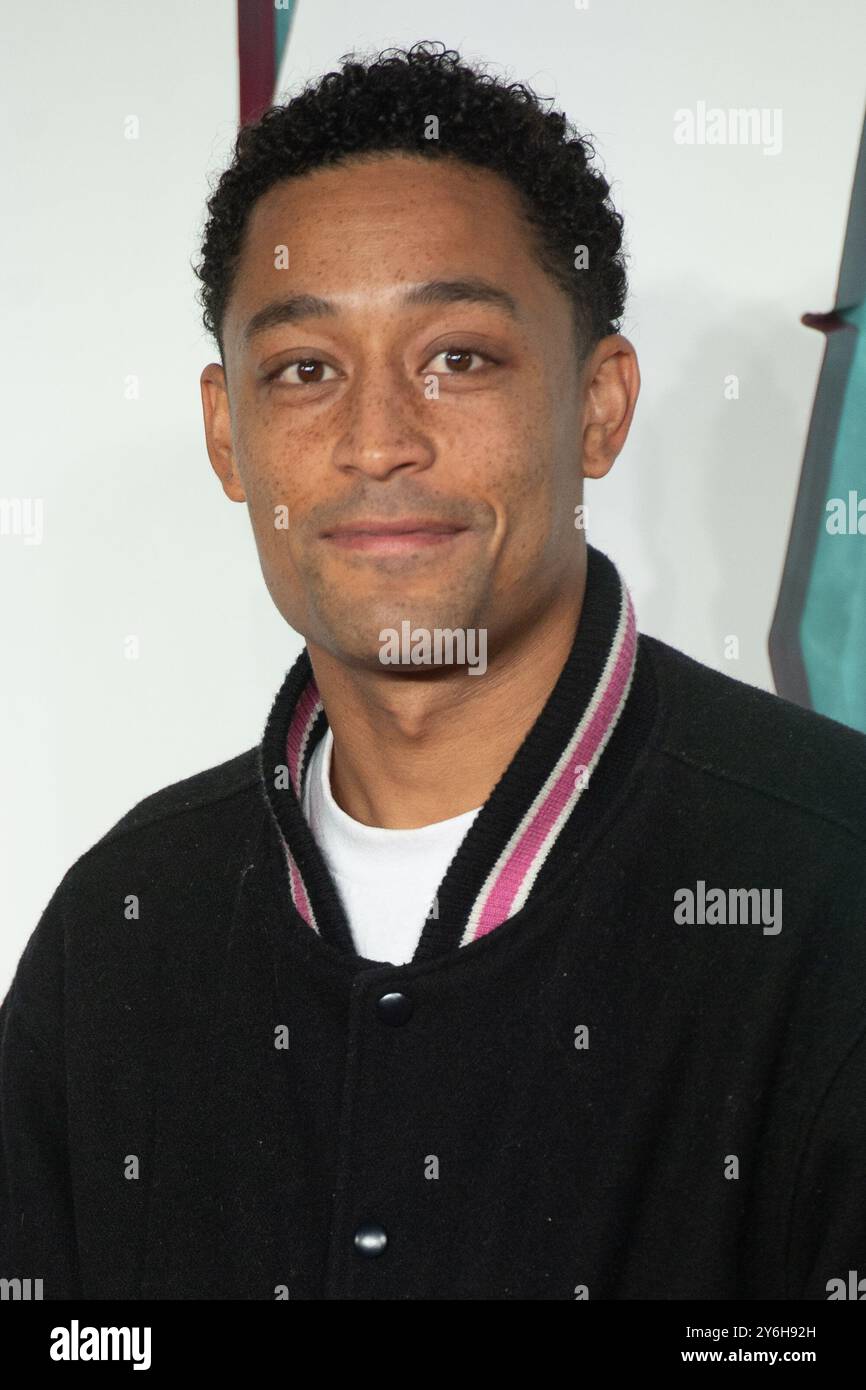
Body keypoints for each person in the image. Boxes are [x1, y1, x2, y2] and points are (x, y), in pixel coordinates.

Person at [2, 41, 865, 1302]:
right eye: (304, 370)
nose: (376, 442)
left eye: (456, 357)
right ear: (225, 433)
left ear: (601, 405)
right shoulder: (123, 925)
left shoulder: (830, 879)